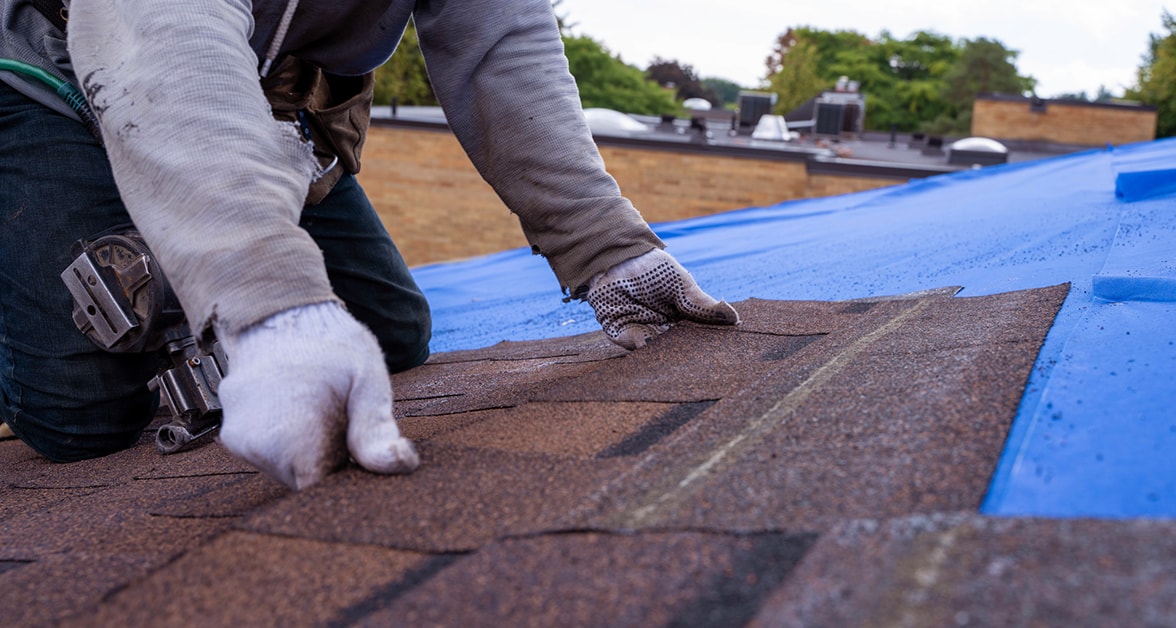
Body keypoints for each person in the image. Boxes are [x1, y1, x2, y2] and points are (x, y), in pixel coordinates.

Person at [0, 0, 739, 489]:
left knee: (389, 334)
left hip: (255, 91)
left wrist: (608, 249)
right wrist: (269, 307)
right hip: (56, 71)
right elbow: (155, 34)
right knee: (80, 420)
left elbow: (497, 44)